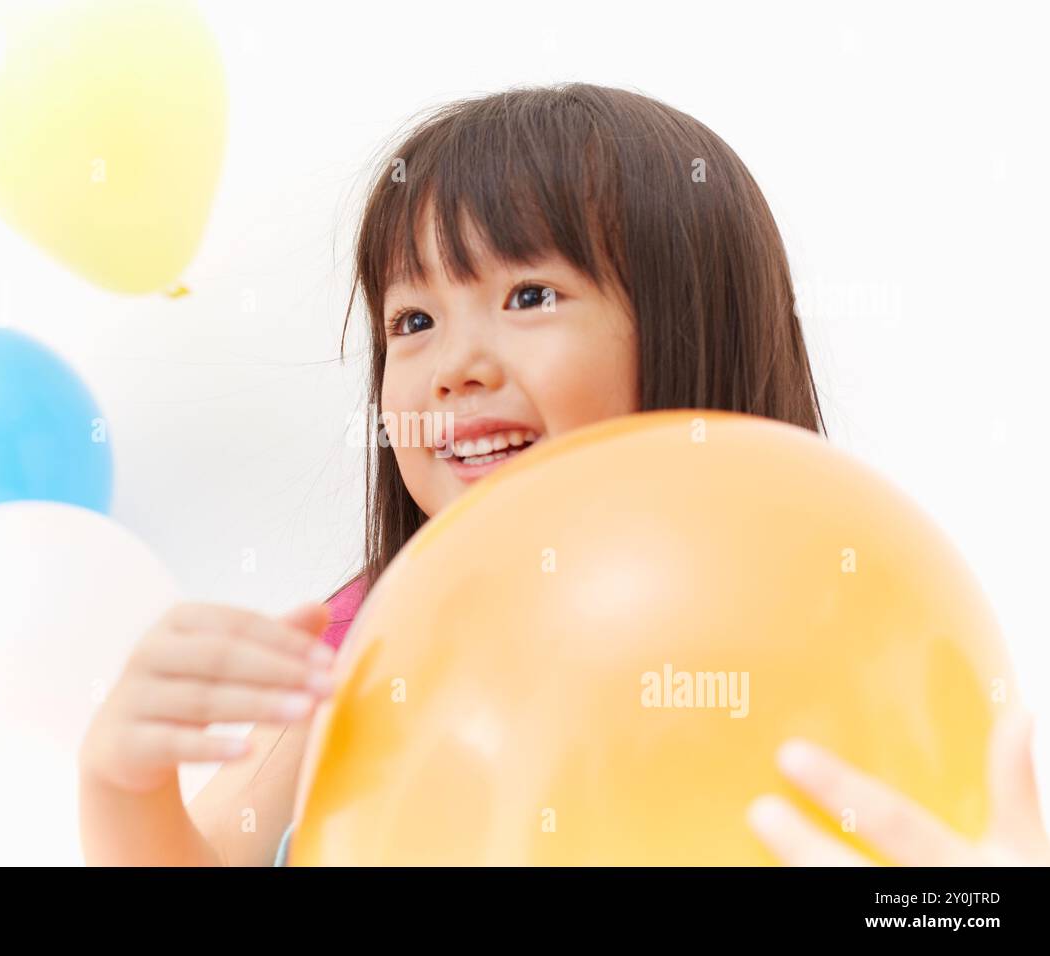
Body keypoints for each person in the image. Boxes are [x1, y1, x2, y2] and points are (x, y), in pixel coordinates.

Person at [78, 83, 1048, 867]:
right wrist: (125, 786)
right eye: (412, 321)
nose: (452, 363)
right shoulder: (365, 642)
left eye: (528, 294)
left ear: (689, 325)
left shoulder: (827, 615)